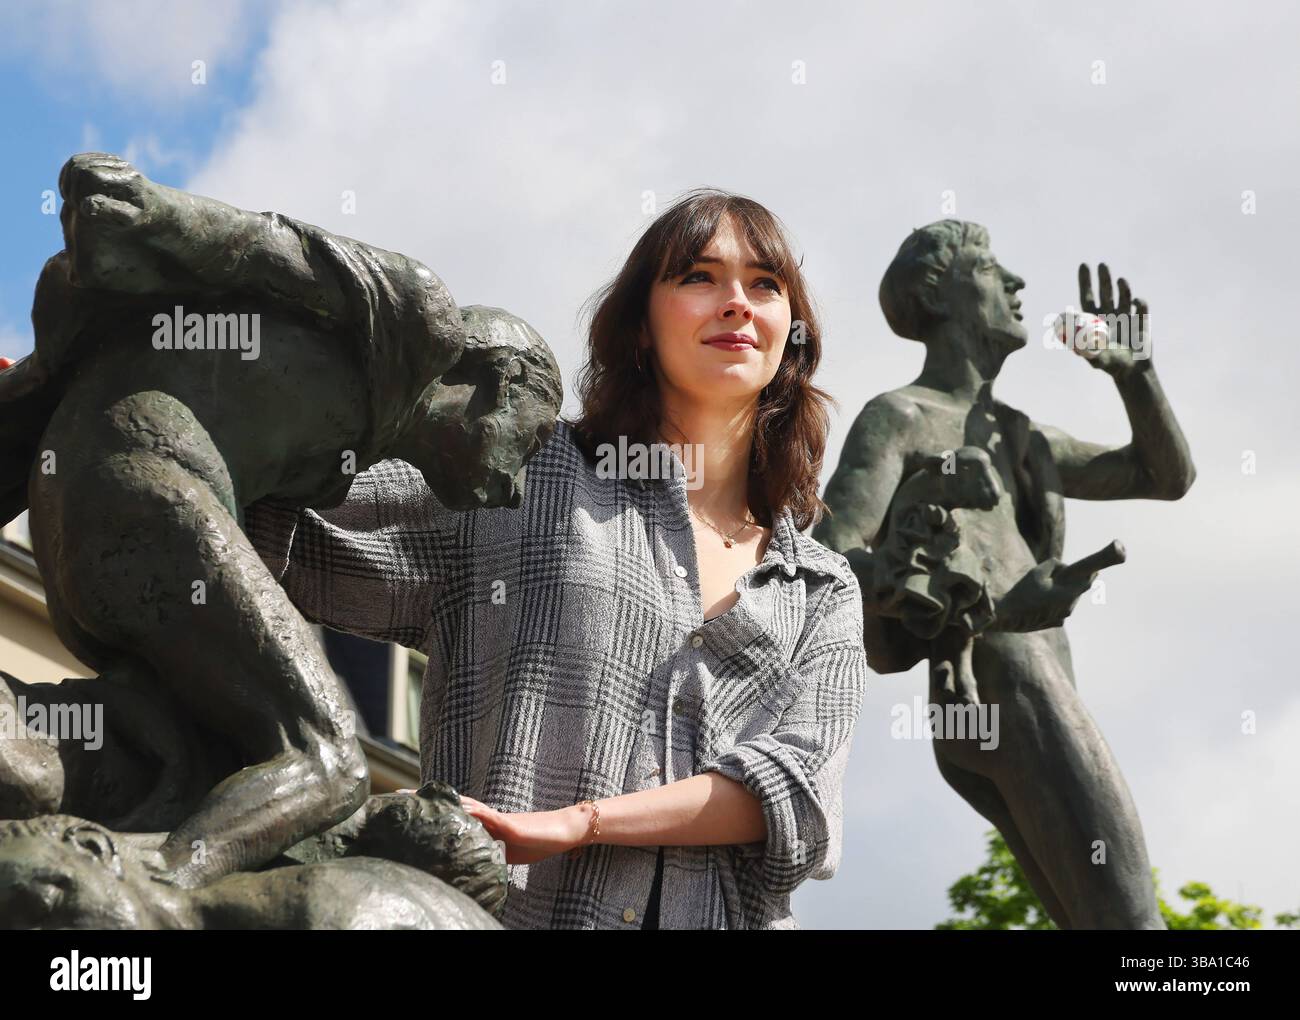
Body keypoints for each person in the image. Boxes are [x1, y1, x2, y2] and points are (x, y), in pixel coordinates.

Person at [245, 188, 869, 929]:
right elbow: (281, 512)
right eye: (699, 276)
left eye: (765, 284)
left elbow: (795, 792)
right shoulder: (523, 471)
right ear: (640, 327)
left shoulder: (821, 589)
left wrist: (580, 822)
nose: (736, 302)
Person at [813, 220, 1195, 929]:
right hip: (1000, 682)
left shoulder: (1021, 435)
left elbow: (1163, 475)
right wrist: (981, 605)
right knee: (1139, 930)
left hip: (1024, 691)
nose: (1016, 283)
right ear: (938, 292)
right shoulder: (900, 416)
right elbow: (828, 561)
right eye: (990, 268)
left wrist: (1136, 374)